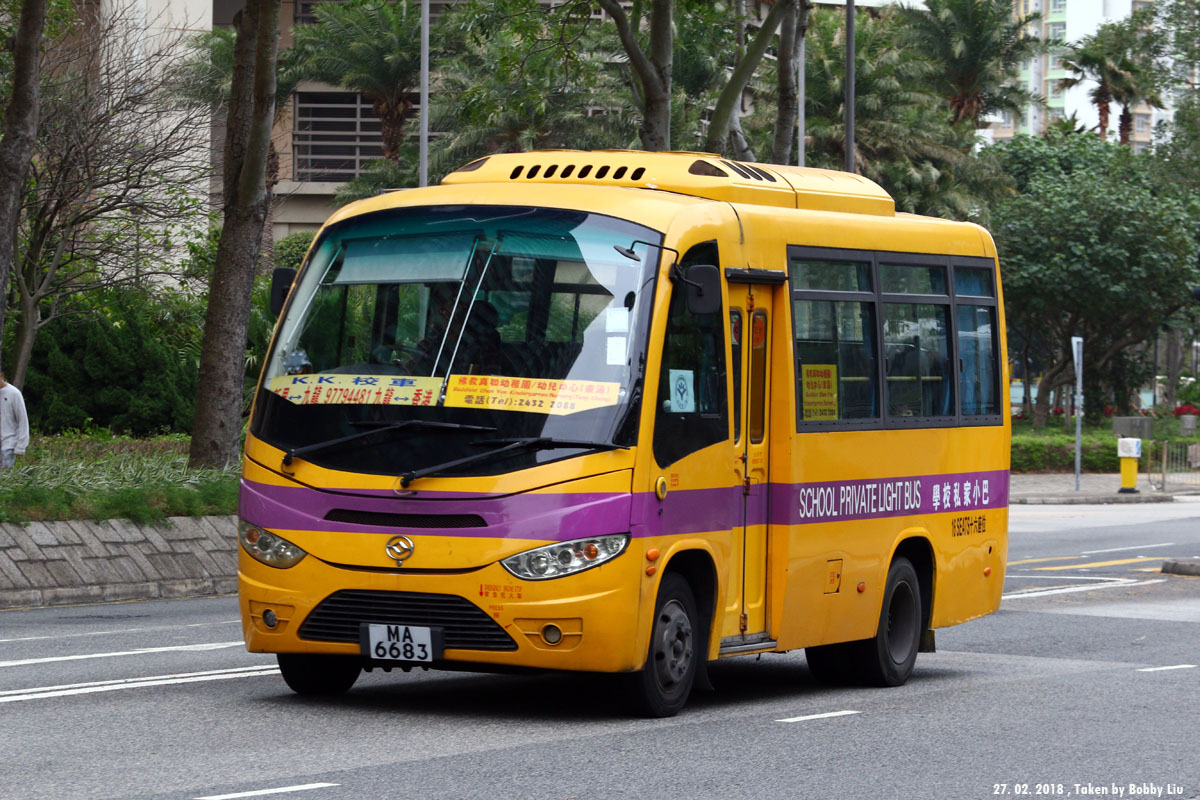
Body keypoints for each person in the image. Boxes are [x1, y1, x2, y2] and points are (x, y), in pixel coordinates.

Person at [0, 370, 30, 470]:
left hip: (9, 444)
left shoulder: (14, 393)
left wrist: (21, 446)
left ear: (2, 375)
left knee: (4, 478)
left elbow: (23, 420)